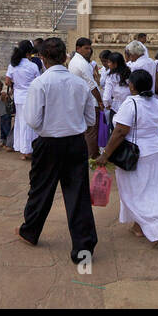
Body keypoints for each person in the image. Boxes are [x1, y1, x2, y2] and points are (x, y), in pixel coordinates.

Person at [16, 37, 98, 264]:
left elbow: (32, 120)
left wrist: (49, 127)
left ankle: (30, 231)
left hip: (49, 143)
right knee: (77, 195)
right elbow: (91, 118)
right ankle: (83, 247)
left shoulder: (41, 83)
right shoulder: (80, 84)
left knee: (41, 189)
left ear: (42, 59)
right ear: (65, 58)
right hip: (74, 143)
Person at [96, 68, 158, 243]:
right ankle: (144, 225)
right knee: (155, 188)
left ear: (132, 86)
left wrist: (105, 155)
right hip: (155, 152)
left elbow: (120, 132)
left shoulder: (130, 103)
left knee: (134, 191)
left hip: (135, 154)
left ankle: (149, 226)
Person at [6, 41, 40, 159]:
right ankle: (27, 150)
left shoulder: (13, 65)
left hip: (18, 97)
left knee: (20, 122)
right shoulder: (33, 66)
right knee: (28, 123)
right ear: (28, 53)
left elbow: (7, 81)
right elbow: (38, 82)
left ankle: (21, 147)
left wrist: (16, 84)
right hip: (30, 97)